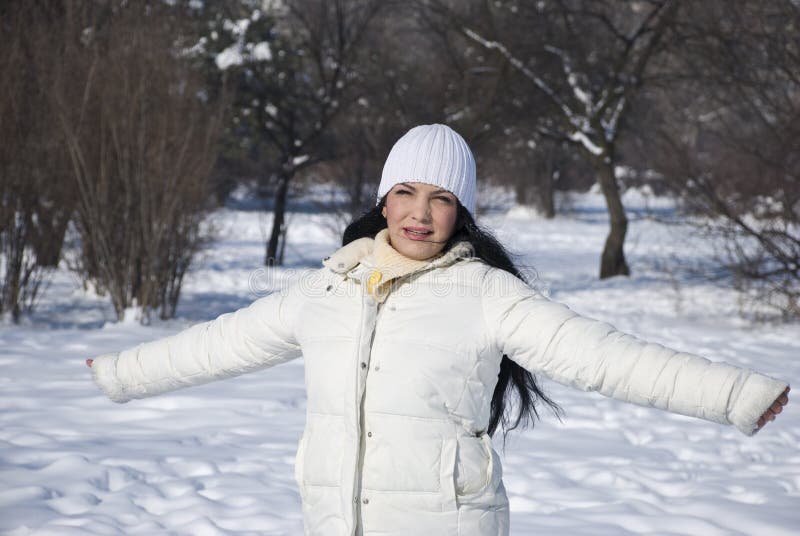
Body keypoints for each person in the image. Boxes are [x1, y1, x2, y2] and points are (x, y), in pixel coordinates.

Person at [87, 124, 790, 536]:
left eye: (441, 198)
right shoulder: (327, 289)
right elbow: (219, 344)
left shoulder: (486, 295)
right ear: (383, 199)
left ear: (462, 212)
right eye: (406, 193)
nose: (419, 214)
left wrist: (735, 394)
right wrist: (121, 374)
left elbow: (605, 357)